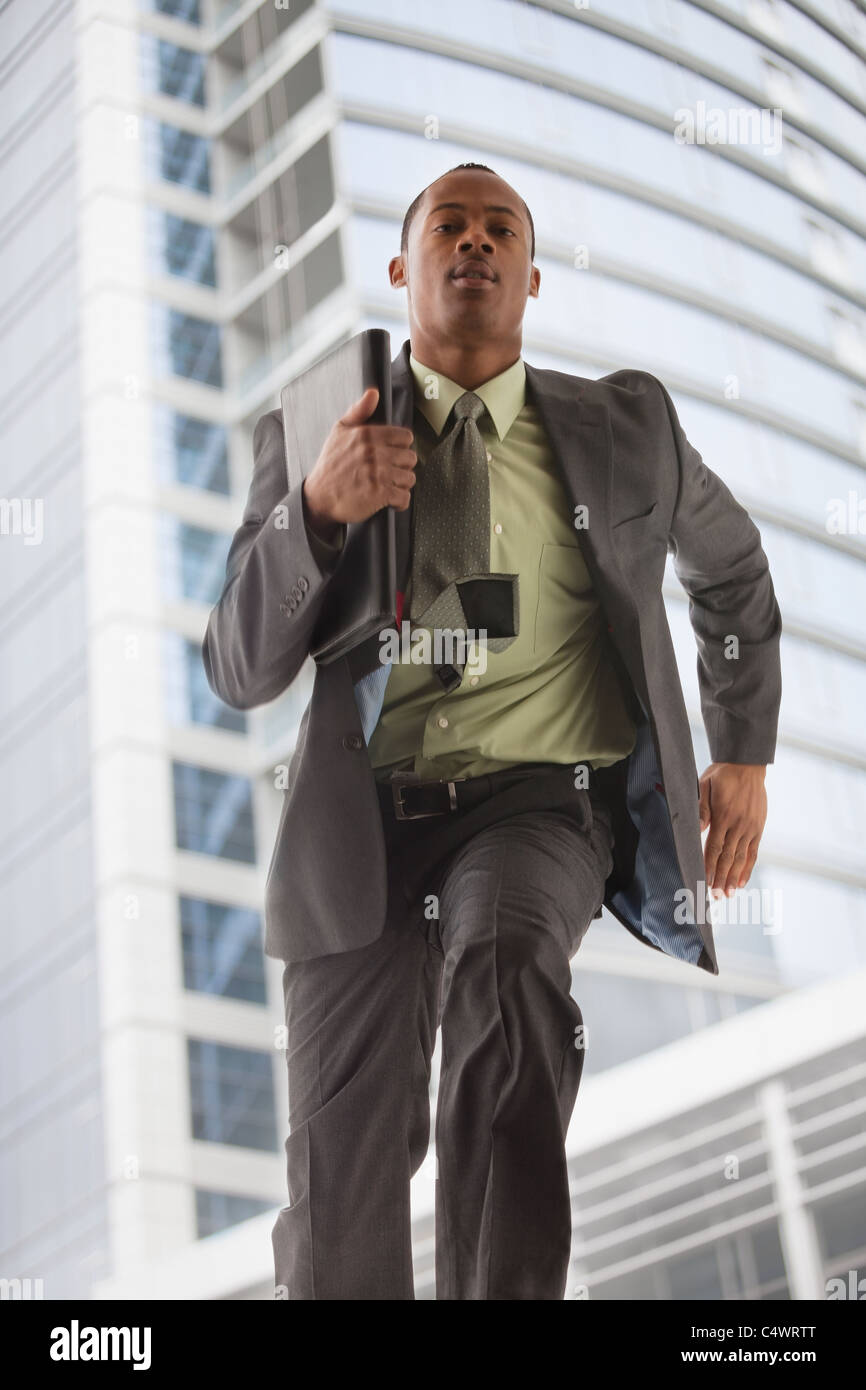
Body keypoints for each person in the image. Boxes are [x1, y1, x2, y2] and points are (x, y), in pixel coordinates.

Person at [202, 162, 782, 1300]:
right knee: (337, 1196)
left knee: (505, 968)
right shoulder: (319, 423)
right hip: (361, 829)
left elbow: (734, 573)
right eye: (447, 227)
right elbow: (236, 665)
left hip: (538, 802)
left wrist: (743, 755)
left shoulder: (626, 432)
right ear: (400, 268)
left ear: (527, 276)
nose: (472, 242)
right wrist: (315, 514)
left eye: (497, 229)